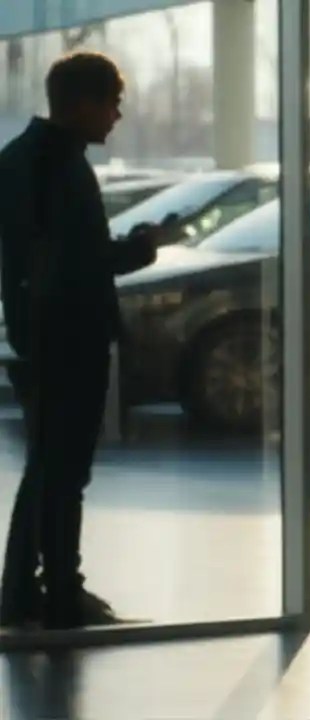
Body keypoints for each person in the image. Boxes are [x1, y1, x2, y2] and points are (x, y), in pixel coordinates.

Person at [0, 52, 160, 629]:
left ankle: (19, 591)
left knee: (45, 467)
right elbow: (82, 260)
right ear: (83, 103)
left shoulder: (16, 160)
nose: (116, 117)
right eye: (112, 104)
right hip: (71, 339)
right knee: (66, 474)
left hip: (34, 337)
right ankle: (63, 594)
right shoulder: (63, 167)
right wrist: (141, 248)